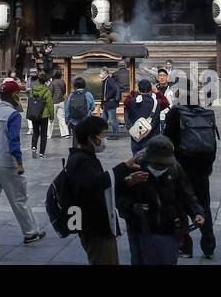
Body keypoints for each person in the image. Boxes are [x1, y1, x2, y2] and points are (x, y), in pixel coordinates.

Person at [113, 135, 203, 265]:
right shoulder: (135, 168)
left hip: (169, 227)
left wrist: (197, 213)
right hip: (140, 228)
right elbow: (118, 197)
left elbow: (187, 195)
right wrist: (132, 206)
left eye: (164, 164)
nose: (161, 167)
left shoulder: (175, 168)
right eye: (157, 163)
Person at [0, 78, 46, 248]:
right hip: (7, 162)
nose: (19, 96)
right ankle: (30, 233)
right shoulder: (12, 115)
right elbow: (14, 140)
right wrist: (19, 162)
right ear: (14, 94)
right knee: (19, 199)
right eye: (18, 93)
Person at [163, 98, 218, 260]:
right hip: (201, 170)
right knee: (204, 207)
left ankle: (185, 246)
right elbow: (212, 144)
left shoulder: (175, 113)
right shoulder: (205, 113)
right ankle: (209, 245)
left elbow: (167, 141)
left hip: (181, 169)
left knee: (179, 208)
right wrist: (209, 167)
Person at [63, 115, 118, 264]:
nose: (104, 139)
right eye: (102, 135)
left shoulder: (85, 157)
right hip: (94, 225)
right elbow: (97, 183)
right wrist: (124, 168)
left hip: (95, 224)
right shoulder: (81, 160)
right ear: (90, 138)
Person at [124, 80, 161, 156]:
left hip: (136, 137)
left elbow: (125, 102)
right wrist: (157, 92)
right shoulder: (157, 103)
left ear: (138, 89)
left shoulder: (131, 102)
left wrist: (132, 92)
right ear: (151, 89)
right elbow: (166, 102)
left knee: (137, 160)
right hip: (152, 138)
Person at [28, 72, 54, 157]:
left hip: (34, 113)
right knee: (43, 133)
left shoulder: (32, 90)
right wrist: (52, 116)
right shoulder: (47, 91)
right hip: (44, 114)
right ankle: (42, 153)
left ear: (38, 81)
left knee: (35, 132)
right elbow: (50, 105)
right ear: (45, 81)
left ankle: (34, 147)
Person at [65, 76, 95, 141]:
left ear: (75, 86)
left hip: (74, 121)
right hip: (86, 120)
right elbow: (93, 107)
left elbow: (67, 108)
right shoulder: (88, 94)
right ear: (84, 85)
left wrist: (67, 119)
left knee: (75, 139)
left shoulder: (71, 95)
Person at [100, 67, 122, 138]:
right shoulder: (105, 81)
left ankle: (115, 134)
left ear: (105, 72)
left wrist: (106, 97)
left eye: (101, 72)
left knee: (112, 119)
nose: (100, 74)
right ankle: (99, 133)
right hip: (107, 104)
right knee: (103, 119)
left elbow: (114, 89)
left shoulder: (109, 80)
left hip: (110, 103)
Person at [49, 68, 69, 138]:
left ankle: (49, 134)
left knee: (51, 119)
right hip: (61, 101)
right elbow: (64, 91)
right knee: (62, 118)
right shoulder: (63, 82)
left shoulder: (52, 82)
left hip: (53, 102)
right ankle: (65, 133)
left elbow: (50, 92)